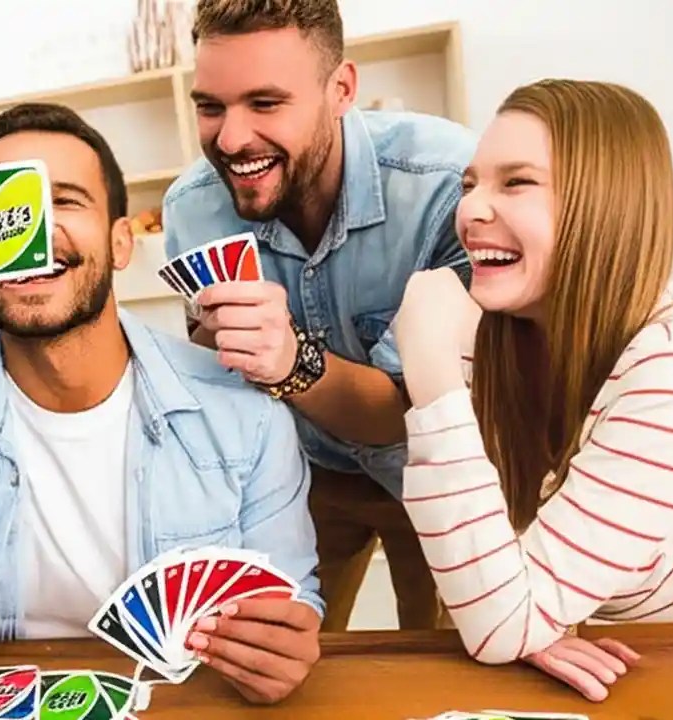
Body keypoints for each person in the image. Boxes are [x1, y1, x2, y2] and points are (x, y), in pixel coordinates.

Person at [0, 103, 324, 706]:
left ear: (121, 244)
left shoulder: (245, 417)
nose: (34, 231)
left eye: (65, 202)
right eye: (8, 210)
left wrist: (281, 653)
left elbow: (291, 609)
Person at [395, 79, 673, 702]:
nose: (470, 211)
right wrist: (528, 614)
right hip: (625, 662)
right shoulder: (500, 337)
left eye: (516, 183)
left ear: (605, 205)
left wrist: (431, 375)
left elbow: (496, 619)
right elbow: (488, 590)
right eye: (470, 185)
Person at [162, 0, 478, 631]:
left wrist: (289, 362)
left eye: (266, 103)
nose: (230, 139)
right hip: (304, 479)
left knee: (447, 658)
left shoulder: (448, 187)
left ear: (342, 90)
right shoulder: (191, 210)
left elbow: (408, 414)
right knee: (287, 650)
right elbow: (213, 378)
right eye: (211, 106)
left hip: (437, 472)